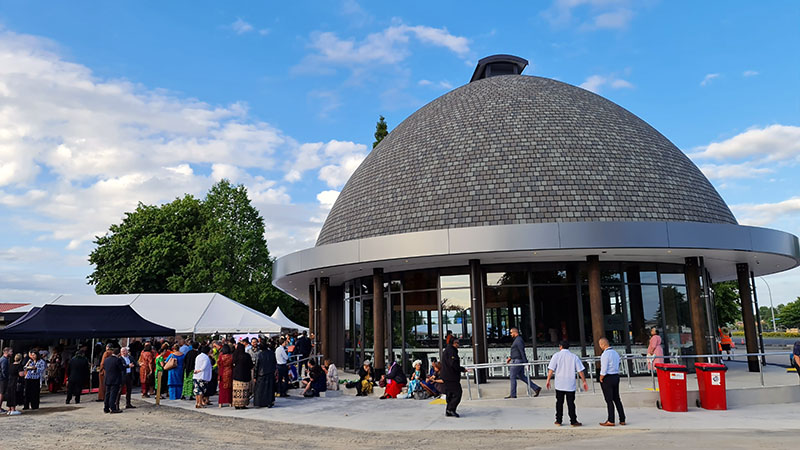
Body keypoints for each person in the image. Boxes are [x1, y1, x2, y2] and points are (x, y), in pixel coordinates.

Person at [545, 340, 587, 427]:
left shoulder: (556, 356)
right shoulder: (574, 357)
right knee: (571, 402)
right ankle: (573, 421)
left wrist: (548, 380)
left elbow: (551, 370)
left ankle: (558, 420)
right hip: (570, 383)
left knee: (559, 402)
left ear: (560, 346)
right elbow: (580, 371)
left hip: (559, 383)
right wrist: (584, 381)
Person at [506, 327, 541, 398]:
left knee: (512, 376)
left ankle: (513, 394)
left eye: (511, 332)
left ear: (515, 332)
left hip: (517, 361)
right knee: (521, 376)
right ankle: (536, 388)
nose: (510, 334)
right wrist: (510, 357)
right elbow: (517, 351)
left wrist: (526, 362)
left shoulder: (518, 340)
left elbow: (522, 351)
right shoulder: (517, 340)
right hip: (517, 359)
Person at [598, 338, 626, 427]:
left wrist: (601, 377)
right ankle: (622, 419)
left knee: (609, 400)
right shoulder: (615, 353)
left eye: (600, 344)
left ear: (603, 344)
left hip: (608, 378)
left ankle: (611, 420)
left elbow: (604, 368)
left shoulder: (605, 354)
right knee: (617, 398)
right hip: (615, 376)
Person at [441, 338, 468, 417]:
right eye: (457, 343)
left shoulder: (448, 350)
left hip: (447, 376)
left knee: (450, 393)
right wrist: (462, 369)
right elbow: (453, 364)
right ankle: (451, 409)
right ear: (453, 343)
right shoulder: (451, 351)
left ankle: (448, 410)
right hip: (451, 376)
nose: (458, 345)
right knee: (457, 393)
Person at [253, 341, 277, 408]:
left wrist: (255, 376)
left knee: (260, 389)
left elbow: (257, 366)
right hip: (270, 373)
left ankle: (260, 402)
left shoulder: (259, 354)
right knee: (269, 389)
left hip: (261, 373)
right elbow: (274, 363)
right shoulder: (272, 353)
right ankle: (269, 402)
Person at [102, 347, 124, 414]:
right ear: (119, 354)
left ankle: (106, 408)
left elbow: (105, 368)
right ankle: (113, 408)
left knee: (107, 394)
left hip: (108, 378)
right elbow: (121, 368)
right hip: (115, 379)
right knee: (113, 394)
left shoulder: (106, 360)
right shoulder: (117, 360)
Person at [232, 342, 253, 409]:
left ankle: (236, 404)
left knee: (237, 391)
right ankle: (243, 404)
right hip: (245, 375)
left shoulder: (235, 356)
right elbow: (251, 365)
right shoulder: (246, 356)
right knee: (244, 391)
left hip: (236, 375)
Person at [0, 347, 9, 413]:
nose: (12, 353)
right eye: (11, 352)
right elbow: (4, 370)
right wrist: (6, 378)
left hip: (2, 378)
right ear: (6, 352)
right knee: (1, 393)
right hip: (3, 379)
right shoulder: (4, 360)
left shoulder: (4, 359)